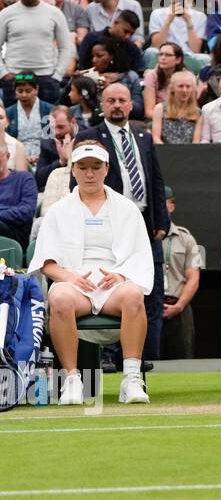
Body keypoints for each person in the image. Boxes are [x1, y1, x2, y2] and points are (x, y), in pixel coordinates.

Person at [31, 140, 154, 405]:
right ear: (73, 169)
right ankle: (73, 381)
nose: (89, 173)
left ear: (106, 168)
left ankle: (131, 379)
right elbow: (47, 263)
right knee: (59, 298)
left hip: (114, 285)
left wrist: (120, 275)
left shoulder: (127, 209)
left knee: (134, 295)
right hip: (75, 285)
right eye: (83, 167)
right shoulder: (57, 211)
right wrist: (71, 278)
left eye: (95, 167)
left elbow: (141, 256)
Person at [78, 83, 170, 364]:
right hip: (109, 221)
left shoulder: (143, 136)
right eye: (111, 100)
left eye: (122, 100)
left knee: (149, 290)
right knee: (109, 286)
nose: (117, 105)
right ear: (102, 106)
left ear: (131, 104)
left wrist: (162, 219)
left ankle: (141, 355)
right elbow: (79, 183)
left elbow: (154, 179)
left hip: (144, 220)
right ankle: (109, 355)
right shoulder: (90, 138)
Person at [0, 0, 75, 106]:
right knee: (13, 123)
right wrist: (3, 73)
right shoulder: (6, 14)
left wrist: (57, 76)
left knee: (48, 124)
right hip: (14, 76)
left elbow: (65, 47)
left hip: (46, 78)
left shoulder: (54, 13)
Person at [159, 185, 202, 359]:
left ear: (171, 206)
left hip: (179, 306)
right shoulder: (142, 236)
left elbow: (194, 277)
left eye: (163, 203)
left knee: (182, 357)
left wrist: (178, 306)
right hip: (149, 308)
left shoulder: (187, 239)